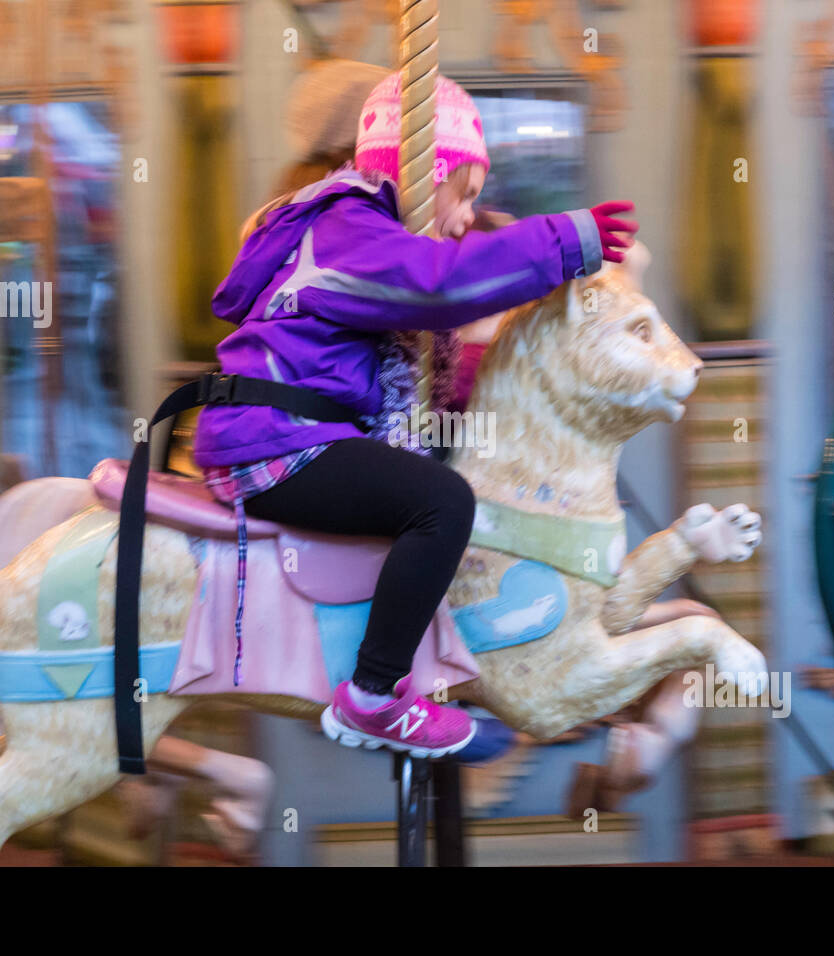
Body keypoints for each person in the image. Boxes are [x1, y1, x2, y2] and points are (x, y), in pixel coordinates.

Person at [194, 70, 638, 757]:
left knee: (431, 487)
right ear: (429, 176)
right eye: (462, 198)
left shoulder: (345, 227)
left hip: (280, 432)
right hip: (279, 440)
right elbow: (439, 285)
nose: (463, 220)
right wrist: (563, 241)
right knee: (441, 504)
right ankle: (373, 695)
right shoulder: (345, 226)